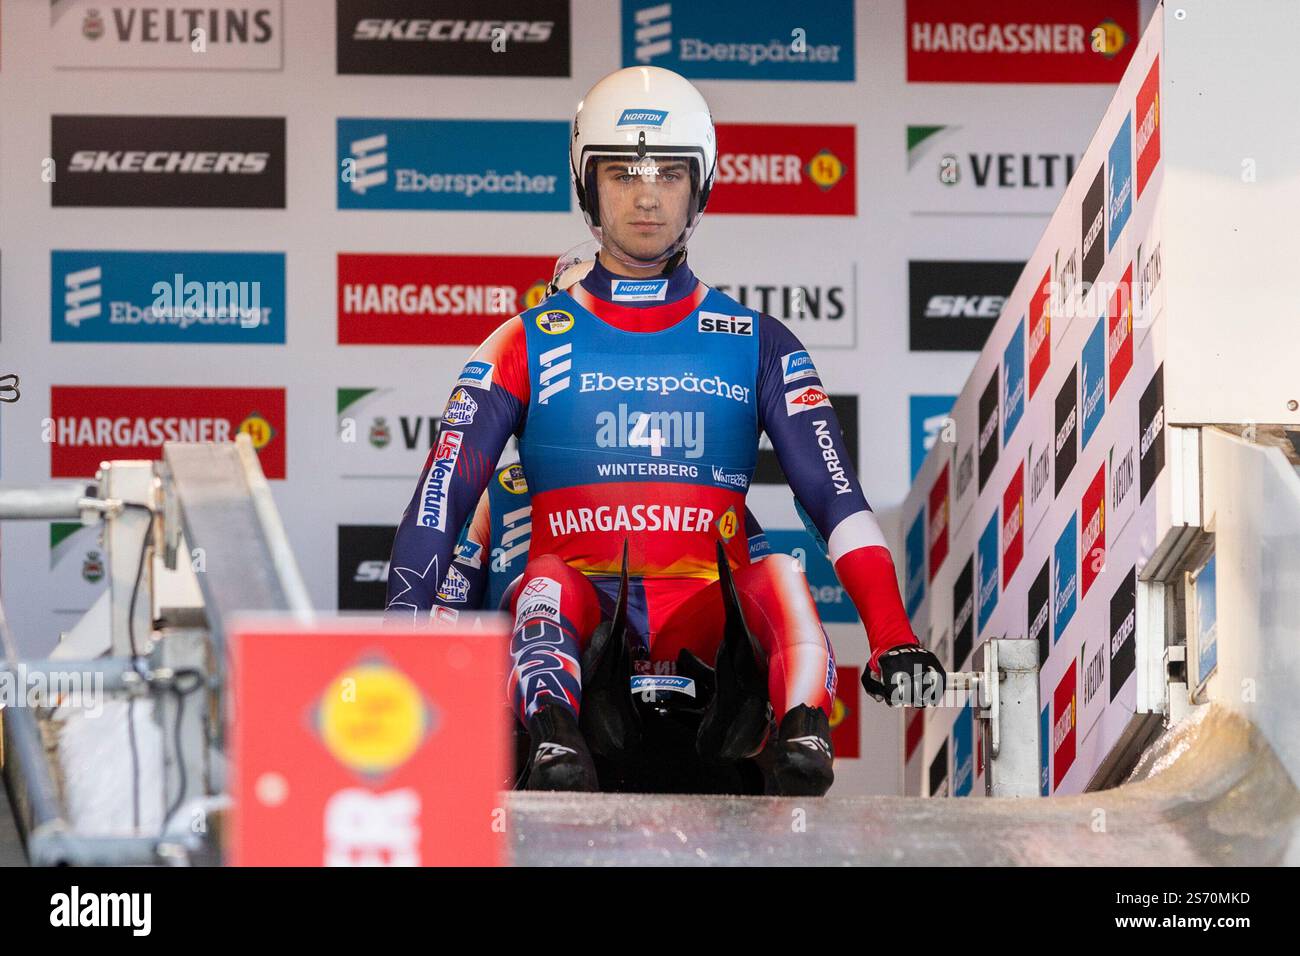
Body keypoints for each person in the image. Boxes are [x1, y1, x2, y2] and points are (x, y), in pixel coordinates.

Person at [387, 65, 944, 795]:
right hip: (576, 659)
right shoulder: (520, 340)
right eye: (622, 173)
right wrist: (398, 642)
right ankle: (553, 735)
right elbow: (441, 497)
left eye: (668, 174)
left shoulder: (759, 340)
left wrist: (892, 636)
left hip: (716, 678)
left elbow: (834, 499)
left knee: (778, 574)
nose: (647, 194)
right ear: (588, 187)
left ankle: (805, 730)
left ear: (701, 186)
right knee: (545, 582)